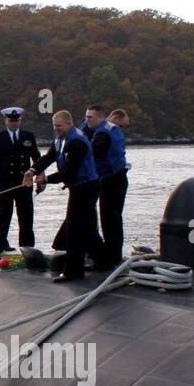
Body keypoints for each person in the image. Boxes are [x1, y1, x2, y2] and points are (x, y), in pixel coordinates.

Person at [25, 110, 104, 282]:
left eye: (59, 126)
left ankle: (73, 272)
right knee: (88, 227)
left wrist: (46, 180)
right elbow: (49, 157)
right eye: (54, 126)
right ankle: (103, 261)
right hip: (79, 186)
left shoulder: (76, 142)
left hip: (85, 187)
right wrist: (33, 171)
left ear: (68, 123)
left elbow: (69, 173)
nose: (56, 129)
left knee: (74, 231)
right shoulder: (61, 139)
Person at [0, 107, 41, 261]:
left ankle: (28, 249)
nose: (14, 123)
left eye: (16, 121)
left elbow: (37, 159)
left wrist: (40, 175)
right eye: (11, 121)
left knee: (26, 218)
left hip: (24, 184)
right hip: (4, 184)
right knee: (2, 218)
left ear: (20, 121)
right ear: (5, 121)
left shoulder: (28, 136)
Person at [82, 104, 130, 267]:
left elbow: (91, 153)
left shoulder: (102, 134)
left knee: (109, 219)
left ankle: (111, 256)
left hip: (112, 179)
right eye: (86, 117)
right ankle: (110, 253)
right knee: (108, 218)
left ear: (101, 117)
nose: (86, 121)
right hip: (112, 178)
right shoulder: (107, 129)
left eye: (90, 118)